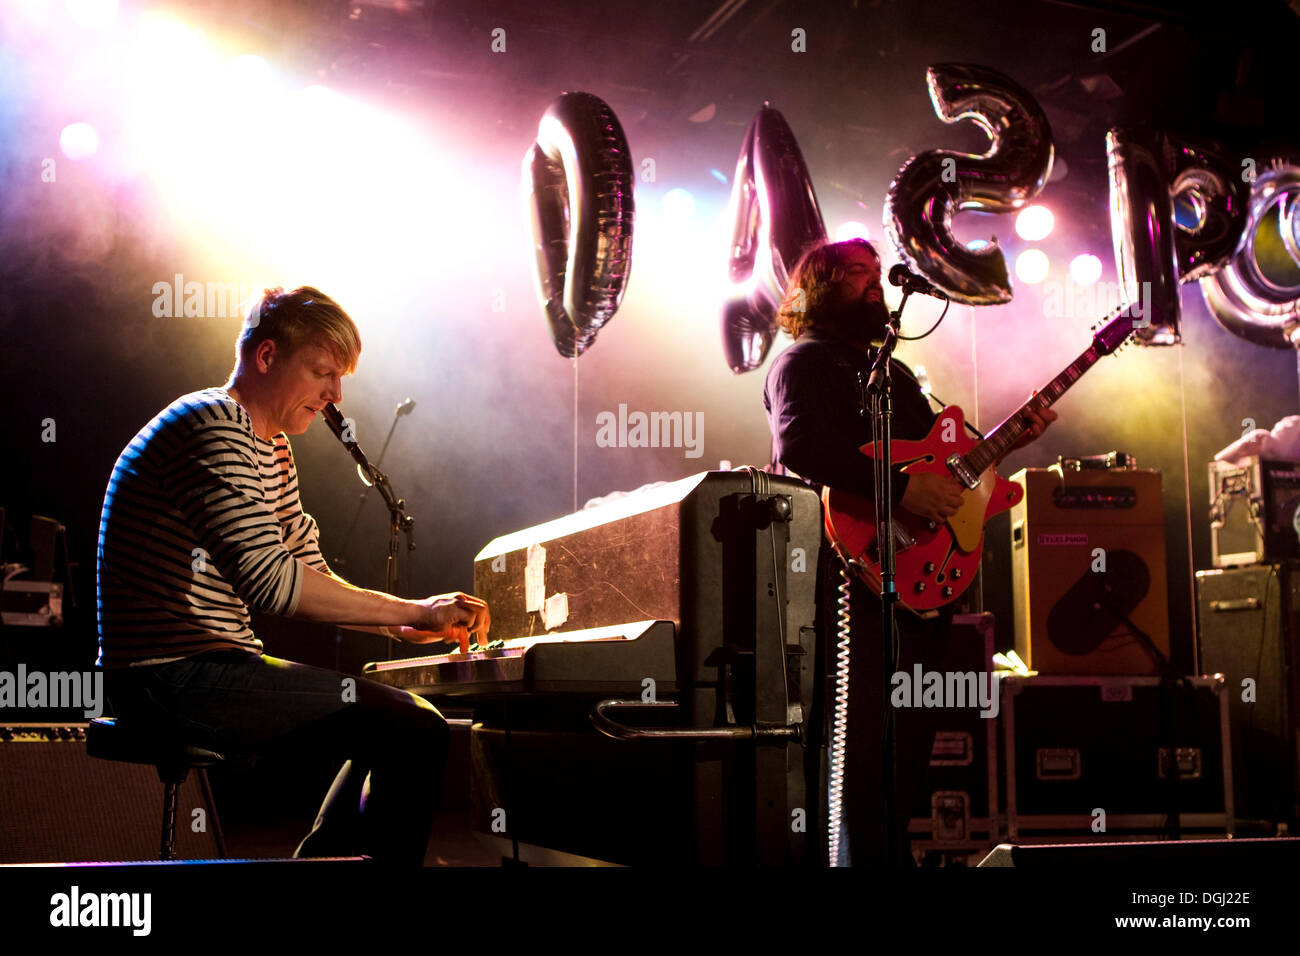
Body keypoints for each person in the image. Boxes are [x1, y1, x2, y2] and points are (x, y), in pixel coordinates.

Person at [96, 285, 489, 865]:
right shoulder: (212, 424)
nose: (334, 395)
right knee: (414, 728)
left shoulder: (273, 447)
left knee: (394, 718)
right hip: (163, 678)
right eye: (322, 372)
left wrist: (405, 624)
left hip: (208, 667)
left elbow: (309, 570)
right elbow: (273, 585)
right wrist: (412, 612)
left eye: (340, 379)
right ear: (267, 356)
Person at [762, 238, 1055, 866]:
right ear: (820, 287)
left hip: (910, 585)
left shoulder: (892, 374)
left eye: (876, 274)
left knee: (907, 743)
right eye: (859, 274)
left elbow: (945, 468)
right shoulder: (802, 363)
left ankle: (891, 856)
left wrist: (1006, 444)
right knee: (852, 742)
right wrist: (899, 489)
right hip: (838, 578)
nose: (876, 284)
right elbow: (801, 448)